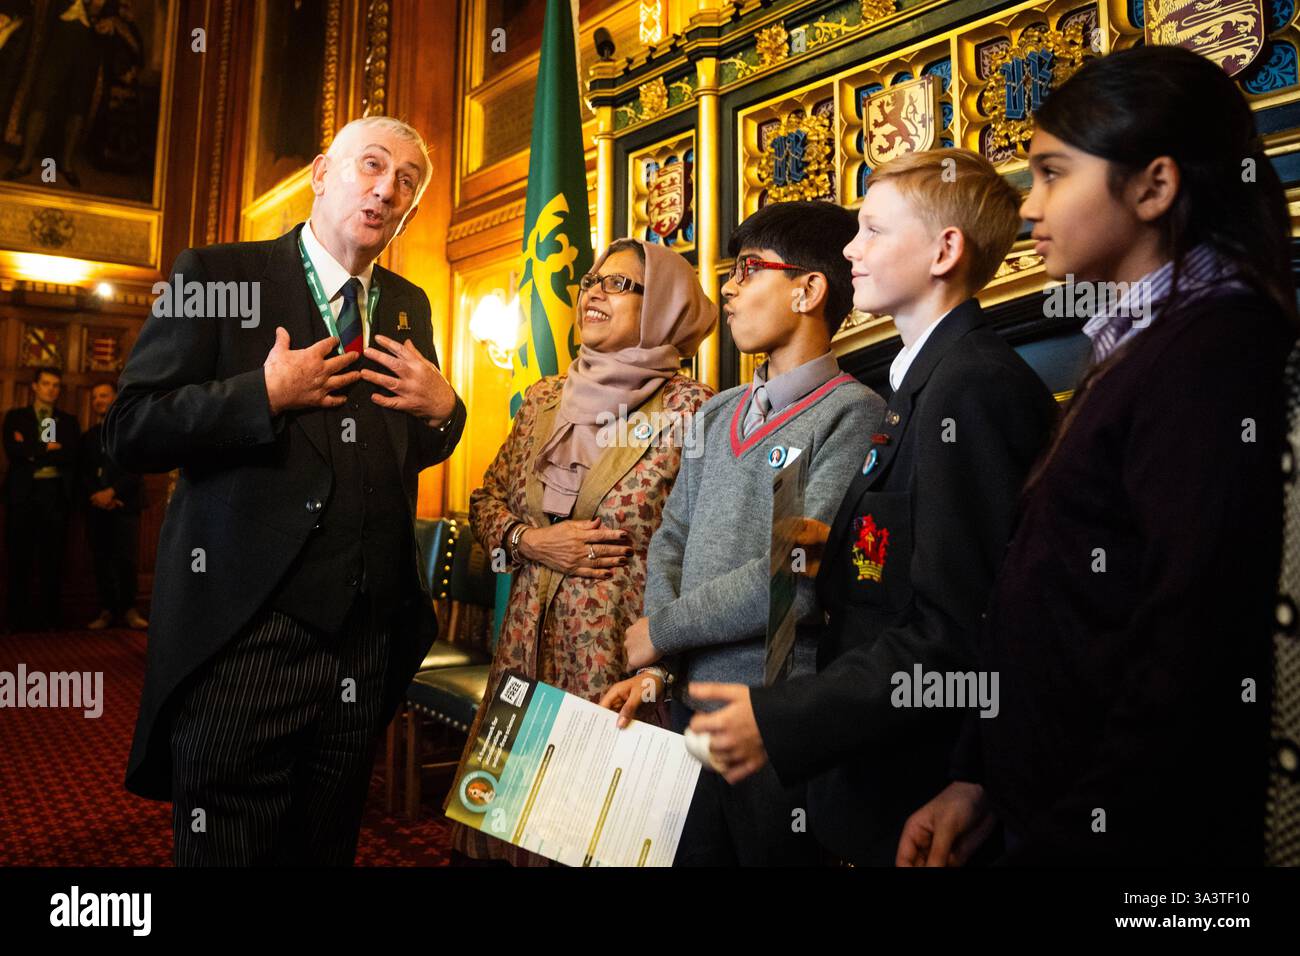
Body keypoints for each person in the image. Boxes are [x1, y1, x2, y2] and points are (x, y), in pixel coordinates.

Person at [898, 46, 1298, 867]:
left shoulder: (1216, 347)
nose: (1030, 203)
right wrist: (981, 778)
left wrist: (1071, 839)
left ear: (1153, 186)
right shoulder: (1135, 346)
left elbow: (1192, 645)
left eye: (1052, 173)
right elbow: (1053, 598)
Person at [674, 149, 1058, 866]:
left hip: (918, 773)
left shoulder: (971, 386)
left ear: (945, 249)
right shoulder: (920, 386)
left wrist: (781, 714)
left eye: (874, 231)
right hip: (873, 761)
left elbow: (957, 627)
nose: (852, 248)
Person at [105, 115, 466, 866]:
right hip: (246, 638)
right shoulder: (213, 275)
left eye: (407, 182)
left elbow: (396, 453)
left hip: (364, 645)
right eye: (371, 166)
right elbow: (130, 430)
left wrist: (448, 414)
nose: (386, 189)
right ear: (320, 173)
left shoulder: (408, 305)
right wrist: (260, 396)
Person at [601, 199, 886, 866]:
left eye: (749, 269)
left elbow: (793, 577)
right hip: (688, 712)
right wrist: (660, 671)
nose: (727, 287)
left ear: (809, 288)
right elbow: (672, 538)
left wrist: (662, 631)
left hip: (774, 720)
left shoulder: (852, 414)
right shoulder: (719, 410)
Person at [449, 237, 715, 867]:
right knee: (500, 842)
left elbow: (705, 555)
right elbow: (487, 500)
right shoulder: (543, 399)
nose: (593, 291)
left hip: (615, 670)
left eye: (619, 284)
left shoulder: (694, 411)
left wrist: (663, 665)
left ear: (664, 309)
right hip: (523, 653)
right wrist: (530, 540)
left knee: (595, 845)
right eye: (591, 280)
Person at [3, 366, 80, 632]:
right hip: (23, 496)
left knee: (53, 560)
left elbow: (69, 455)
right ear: (35, 386)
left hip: (55, 495)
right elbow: (14, 450)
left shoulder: (68, 421)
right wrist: (45, 448)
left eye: (56, 385)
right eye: (46, 384)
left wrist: (32, 450)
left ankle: (50, 618)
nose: (51, 389)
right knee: (19, 558)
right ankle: (16, 618)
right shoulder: (15, 417)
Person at [80, 380, 147, 630]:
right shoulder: (88, 436)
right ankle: (107, 610)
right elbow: (82, 472)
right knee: (102, 560)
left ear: (115, 397)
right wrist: (98, 495)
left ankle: (130, 610)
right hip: (97, 506)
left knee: (126, 561)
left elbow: (136, 468)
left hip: (124, 504)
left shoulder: (130, 429)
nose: (99, 400)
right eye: (95, 396)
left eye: (104, 395)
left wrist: (113, 492)